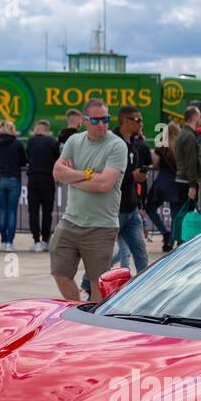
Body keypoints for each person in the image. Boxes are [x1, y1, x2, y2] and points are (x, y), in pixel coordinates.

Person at [50, 98, 126, 301]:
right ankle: (77, 310)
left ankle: (90, 325)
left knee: (97, 284)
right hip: (71, 220)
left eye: (105, 119)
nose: (102, 124)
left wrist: (73, 178)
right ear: (84, 120)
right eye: (96, 120)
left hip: (101, 226)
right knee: (60, 272)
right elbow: (57, 171)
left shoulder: (117, 146)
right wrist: (86, 175)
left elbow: (104, 184)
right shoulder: (74, 141)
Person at [111, 106, 151, 272]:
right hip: (116, 209)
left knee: (140, 252)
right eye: (138, 120)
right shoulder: (112, 143)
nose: (141, 123)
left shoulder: (134, 144)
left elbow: (134, 181)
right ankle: (87, 285)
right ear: (126, 122)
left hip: (132, 208)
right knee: (103, 253)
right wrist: (131, 176)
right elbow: (111, 176)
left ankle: (147, 285)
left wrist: (140, 206)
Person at [0, 119, 26, 251]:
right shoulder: (17, 144)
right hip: (14, 179)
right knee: (12, 211)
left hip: (0, 179)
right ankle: (9, 242)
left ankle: (3, 241)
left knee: (3, 210)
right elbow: (23, 161)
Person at [26, 119, 59, 252]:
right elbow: (57, 158)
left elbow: (27, 156)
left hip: (33, 178)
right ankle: (46, 240)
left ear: (38, 129)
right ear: (47, 129)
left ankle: (36, 241)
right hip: (47, 178)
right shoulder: (52, 141)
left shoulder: (31, 141)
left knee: (33, 211)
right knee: (47, 211)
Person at [145, 121, 179, 252]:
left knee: (150, 207)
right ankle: (172, 240)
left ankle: (165, 233)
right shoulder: (180, 146)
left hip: (162, 180)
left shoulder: (162, 146)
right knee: (175, 213)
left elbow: (155, 163)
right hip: (176, 181)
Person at [173, 105, 201, 213]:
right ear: (194, 117)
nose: (200, 119)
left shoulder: (183, 133)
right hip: (186, 183)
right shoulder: (189, 136)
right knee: (187, 217)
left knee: (182, 214)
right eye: (199, 116)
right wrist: (192, 186)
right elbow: (191, 162)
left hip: (182, 180)